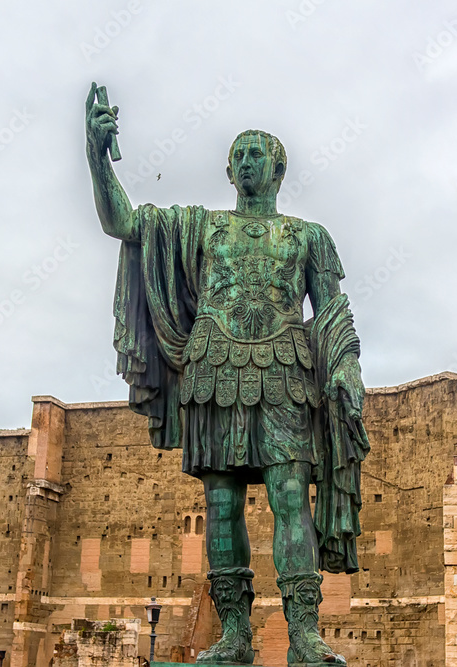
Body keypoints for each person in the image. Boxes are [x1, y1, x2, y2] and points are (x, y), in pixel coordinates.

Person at [86, 83, 369, 665]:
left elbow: (333, 311)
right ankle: (236, 636)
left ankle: (304, 636)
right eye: (237, 155)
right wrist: (96, 156)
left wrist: (345, 368)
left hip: (286, 373)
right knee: (220, 505)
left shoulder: (308, 236)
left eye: (256, 153)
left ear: (278, 167)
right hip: (215, 371)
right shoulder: (200, 227)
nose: (245, 162)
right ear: (228, 169)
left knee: (291, 496)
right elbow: (124, 224)